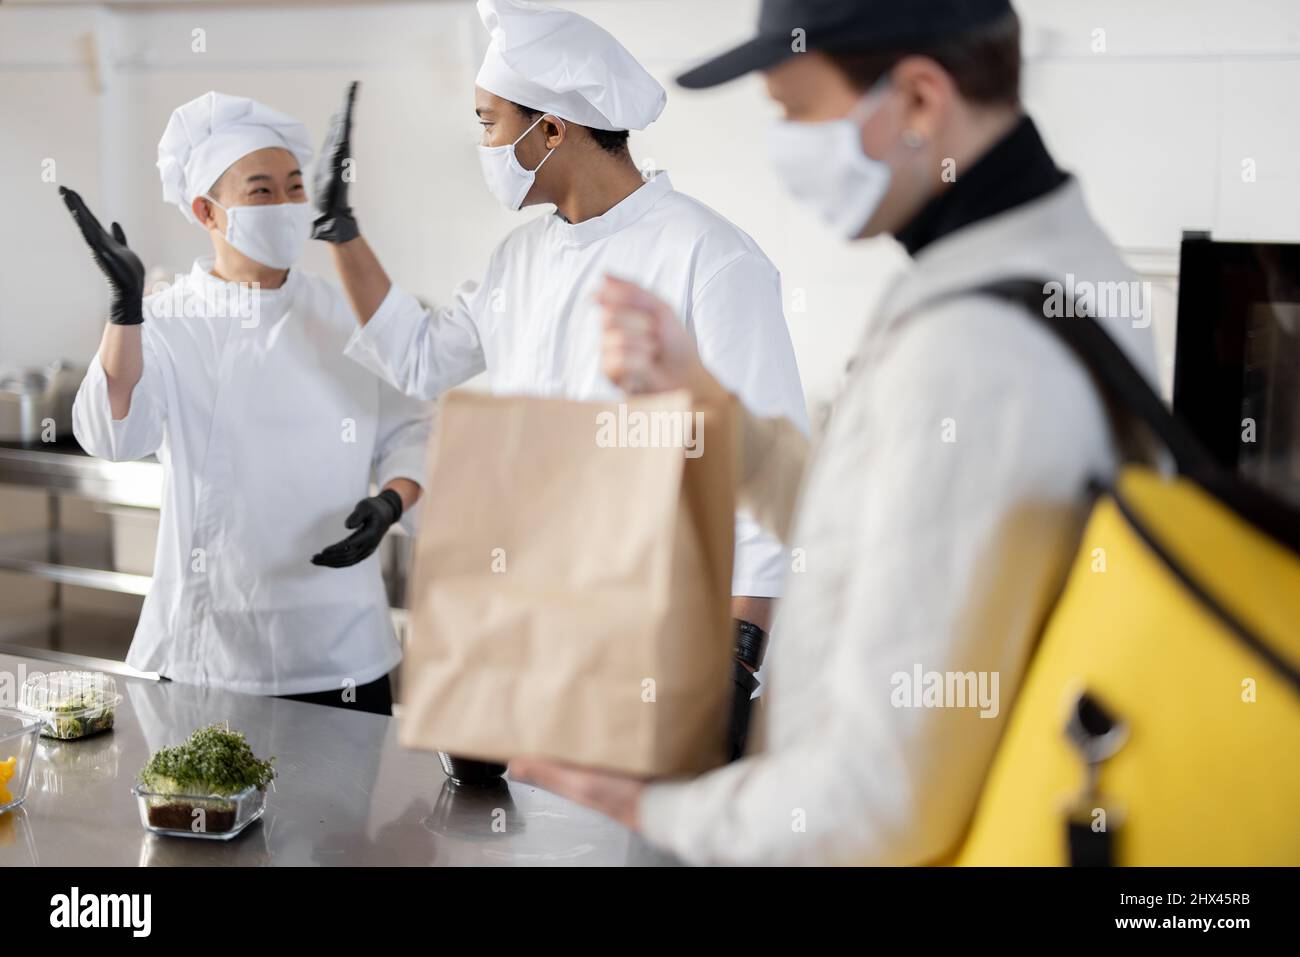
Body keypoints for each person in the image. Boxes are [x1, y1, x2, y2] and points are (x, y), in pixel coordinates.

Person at [510, 0, 1159, 864]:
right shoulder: (1046, 268)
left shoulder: (978, 348)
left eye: (795, 110)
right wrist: (711, 409)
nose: (787, 151)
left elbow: (873, 803)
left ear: (921, 100)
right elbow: (887, 528)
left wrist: (656, 808)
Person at [313, 0, 809, 752]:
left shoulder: (710, 258)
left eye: (489, 122)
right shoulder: (521, 258)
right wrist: (340, 232)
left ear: (551, 129)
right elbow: (418, 355)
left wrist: (740, 657)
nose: (481, 141)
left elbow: (767, 472)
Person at [64, 92, 431, 715]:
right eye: (262, 192)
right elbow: (114, 433)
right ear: (208, 211)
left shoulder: (347, 310)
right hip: (215, 649)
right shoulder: (171, 317)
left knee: (340, 815)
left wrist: (393, 499)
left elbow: (413, 427)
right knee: (213, 812)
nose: (287, 206)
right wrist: (125, 311)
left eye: (294, 187)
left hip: (342, 645)